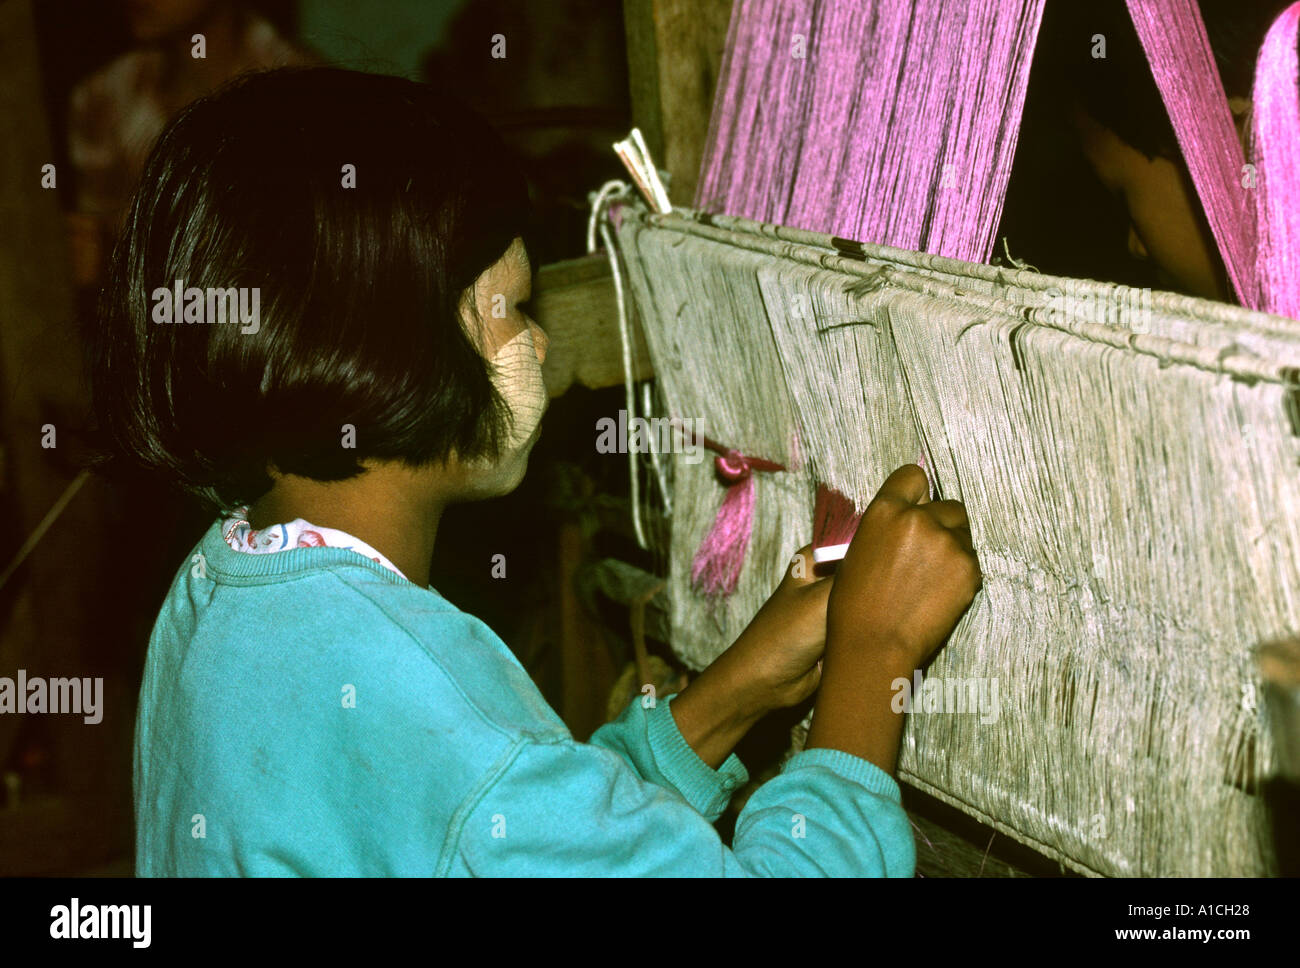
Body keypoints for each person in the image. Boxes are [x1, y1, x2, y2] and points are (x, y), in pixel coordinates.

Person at [90, 67, 981, 876]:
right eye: (514, 306)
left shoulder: (217, 592)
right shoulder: (416, 702)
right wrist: (877, 656)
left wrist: (728, 697)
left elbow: (509, 835)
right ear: (393, 349)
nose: (542, 342)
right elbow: (484, 804)